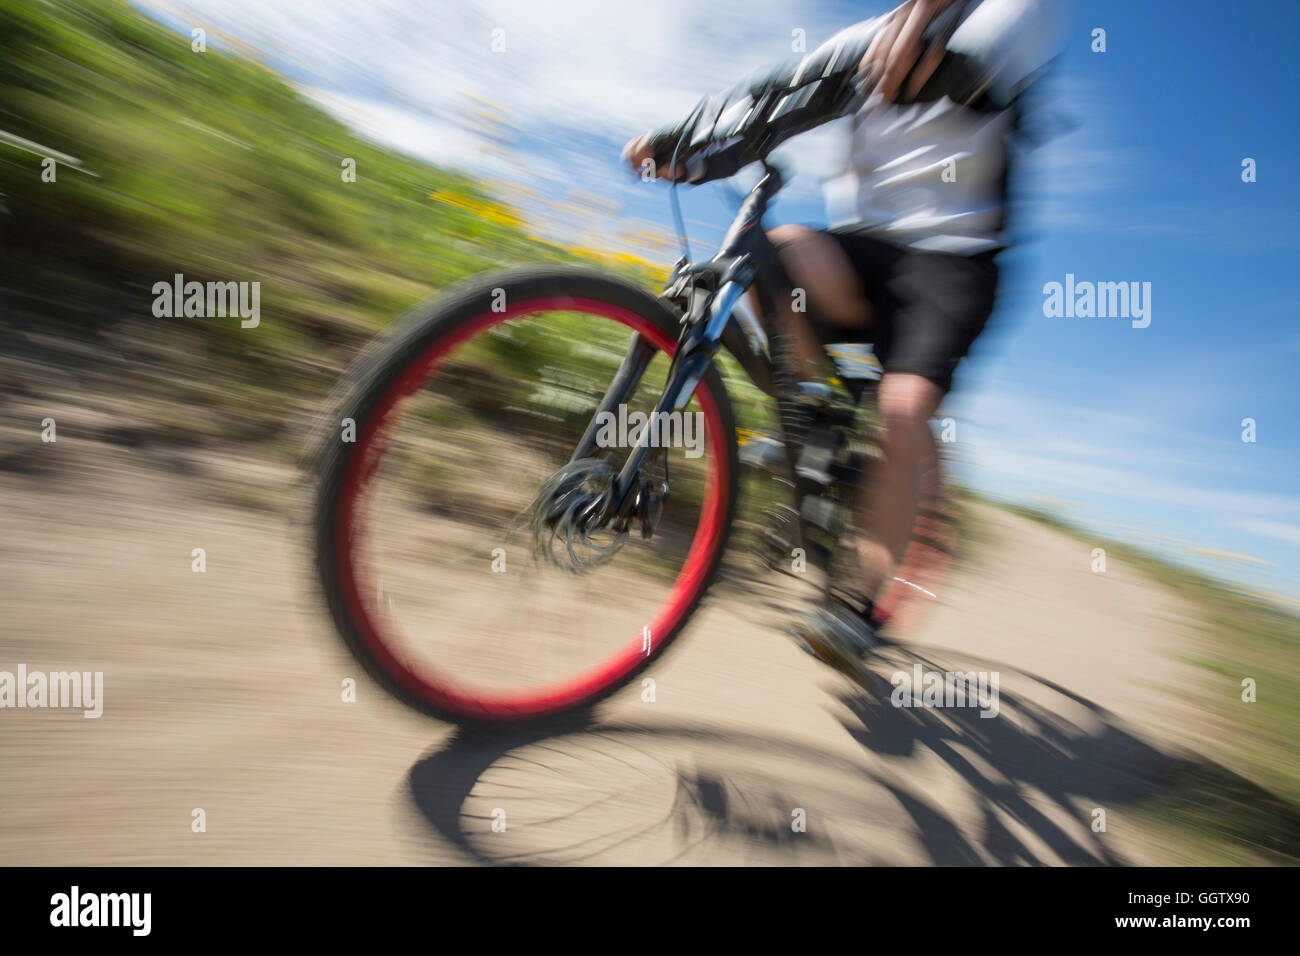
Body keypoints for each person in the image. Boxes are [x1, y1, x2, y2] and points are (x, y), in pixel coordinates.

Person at [623, 0, 1066, 678]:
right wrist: (687, 144)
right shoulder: (873, 33)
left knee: (903, 409)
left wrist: (923, 46)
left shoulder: (1015, 13)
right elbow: (775, 96)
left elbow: (978, 64)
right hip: (864, 251)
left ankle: (856, 606)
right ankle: (817, 417)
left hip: (954, 263)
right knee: (780, 250)